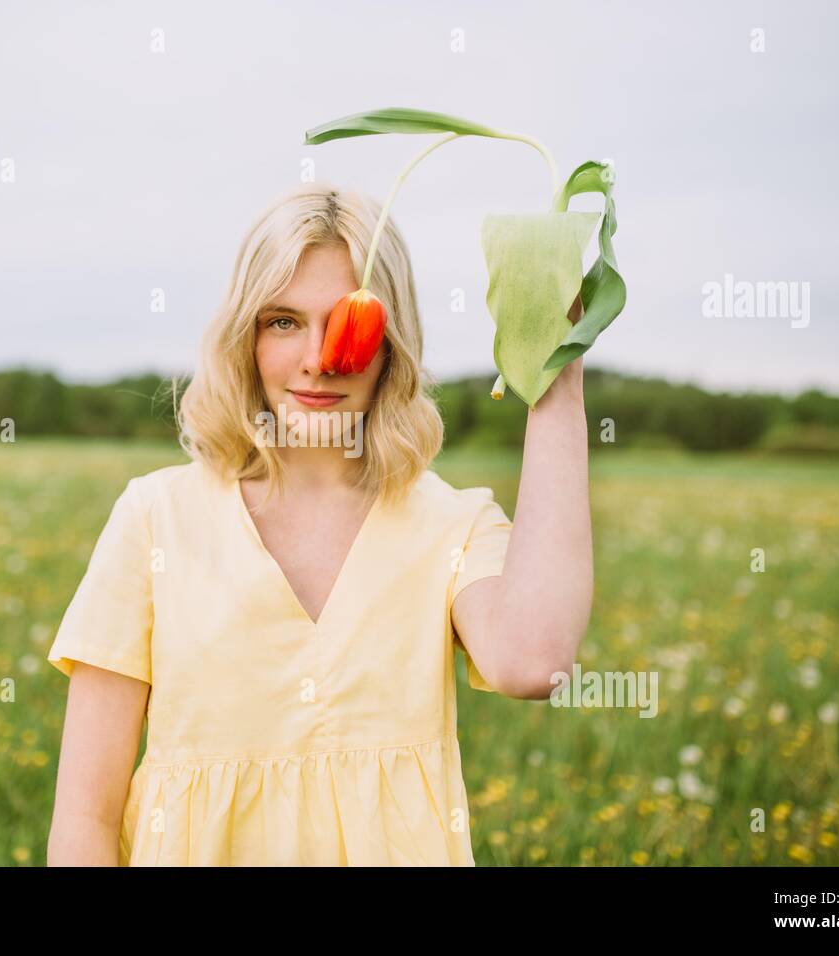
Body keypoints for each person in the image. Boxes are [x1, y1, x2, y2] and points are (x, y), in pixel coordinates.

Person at [46, 183, 593, 866]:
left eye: (348, 322)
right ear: (243, 336)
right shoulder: (155, 520)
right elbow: (84, 818)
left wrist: (556, 371)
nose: (319, 357)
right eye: (282, 321)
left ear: (392, 342)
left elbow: (533, 664)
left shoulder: (452, 524)